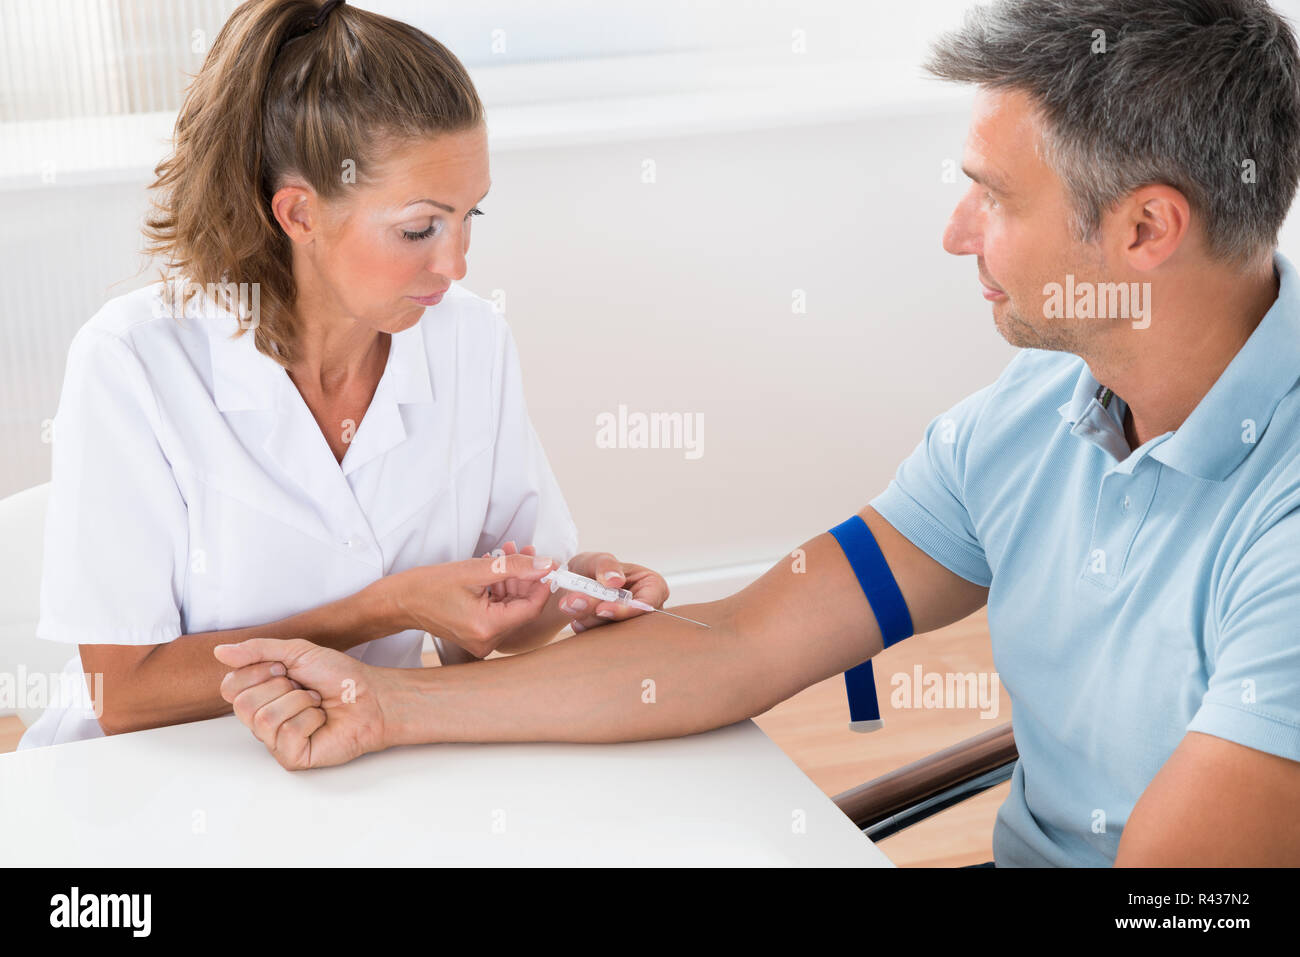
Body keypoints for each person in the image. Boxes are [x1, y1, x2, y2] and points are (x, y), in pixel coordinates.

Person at [218, 0, 1300, 866]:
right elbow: (742, 642)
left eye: (992, 197)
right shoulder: (1027, 421)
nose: (953, 232)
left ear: (1146, 228)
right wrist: (389, 702)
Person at [19, 0, 668, 749]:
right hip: (141, 785)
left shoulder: (469, 340)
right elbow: (125, 695)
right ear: (299, 214)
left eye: (470, 218)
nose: (456, 264)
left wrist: (575, 593)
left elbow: (497, 622)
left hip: (360, 762)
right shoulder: (134, 362)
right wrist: (384, 607)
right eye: (420, 228)